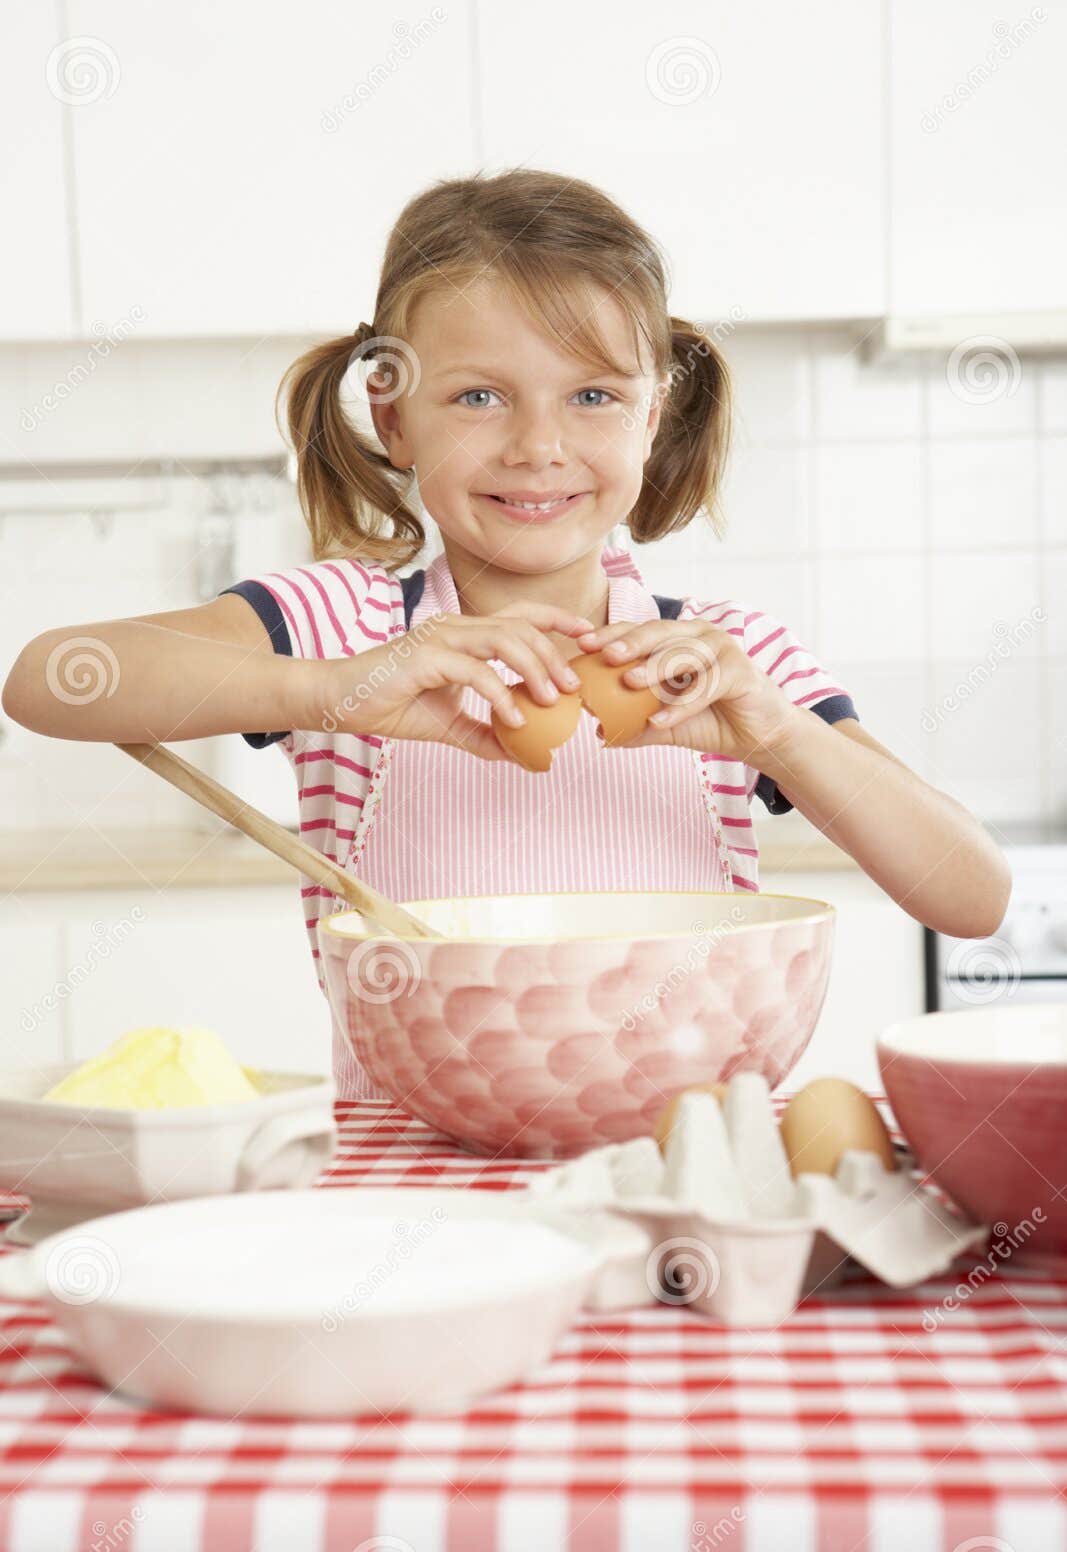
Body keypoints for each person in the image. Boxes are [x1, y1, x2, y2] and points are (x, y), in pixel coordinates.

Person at [3, 168, 1011, 1103]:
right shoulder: (345, 626)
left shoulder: (727, 663)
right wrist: (329, 690)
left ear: (652, 416)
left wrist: (779, 735)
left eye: (593, 396)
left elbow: (972, 895)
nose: (537, 446)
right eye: (478, 396)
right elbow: (51, 680)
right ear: (394, 419)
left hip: (679, 1156)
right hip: (408, 1163)